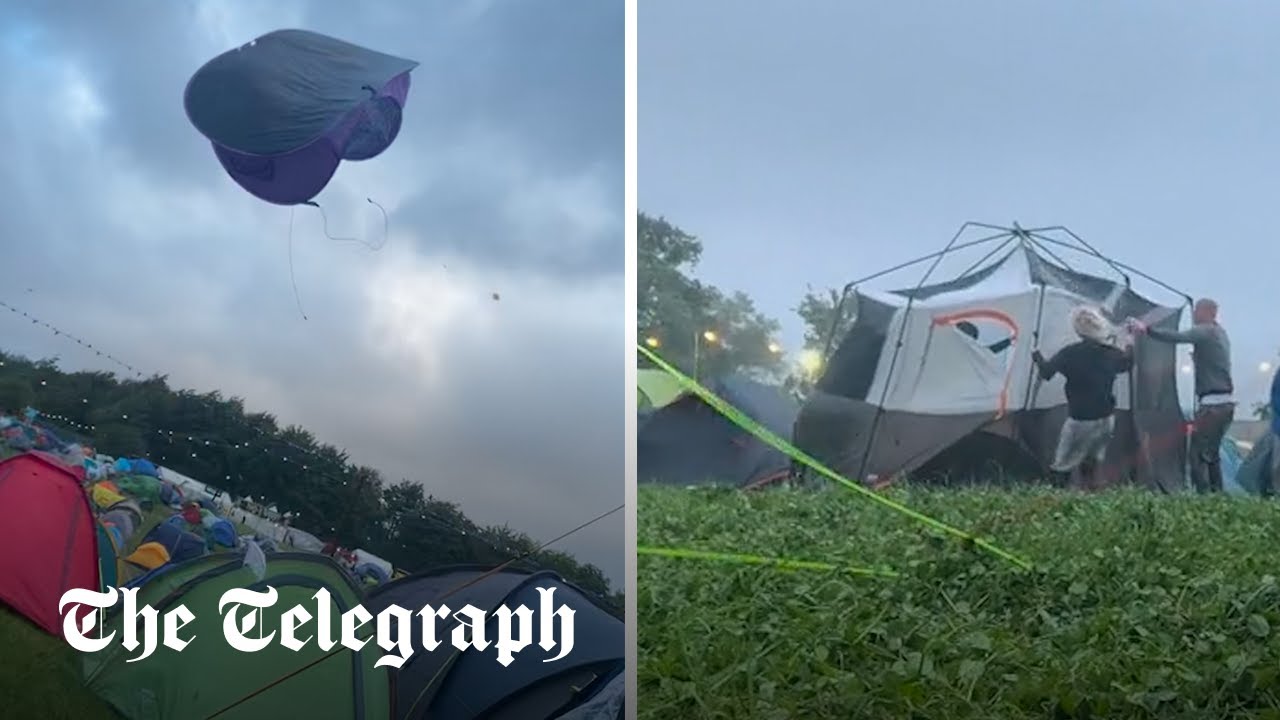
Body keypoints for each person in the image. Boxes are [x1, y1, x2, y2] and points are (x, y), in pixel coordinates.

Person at [1128, 298, 1234, 494]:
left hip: (1212, 407)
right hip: (1224, 406)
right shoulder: (1220, 333)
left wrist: (1146, 330)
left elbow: (1177, 337)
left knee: (1197, 456)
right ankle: (1217, 497)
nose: (1194, 315)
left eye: (1197, 311)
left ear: (1207, 312)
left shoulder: (1205, 330)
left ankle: (1203, 497)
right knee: (1211, 455)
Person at [1033, 306, 1134, 488]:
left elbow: (1046, 373)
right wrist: (1129, 342)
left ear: (1077, 330)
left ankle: (1056, 499)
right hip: (1106, 419)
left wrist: (1036, 355)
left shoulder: (1070, 353)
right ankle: (1089, 495)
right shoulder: (1110, 353)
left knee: (1061, 466)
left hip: (1081, 420)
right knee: (1091, 462)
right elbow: (1127, 364)